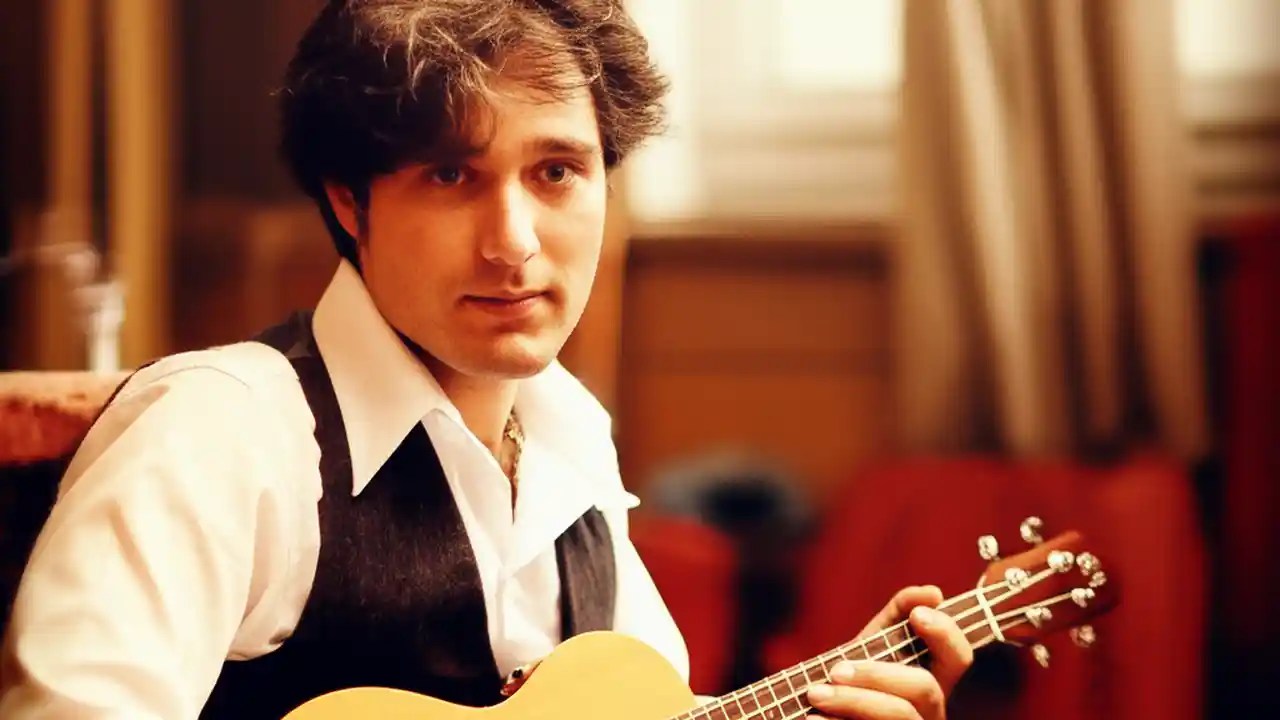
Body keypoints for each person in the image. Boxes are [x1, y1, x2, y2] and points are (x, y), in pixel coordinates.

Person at [0, 1, 972, 718]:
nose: (511, 241)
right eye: (451, 174)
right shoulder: (224, 433)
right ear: (349, 201)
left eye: (555, 172)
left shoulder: (570, 441)